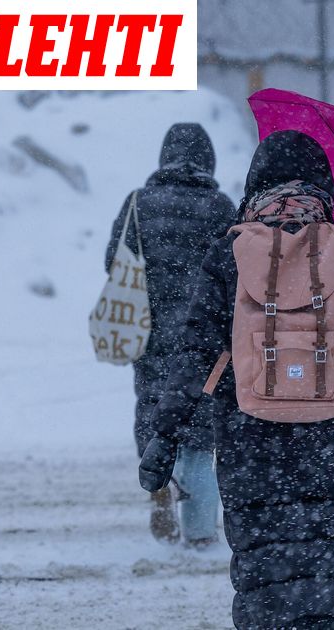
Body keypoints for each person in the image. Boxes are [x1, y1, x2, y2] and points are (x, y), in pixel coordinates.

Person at [138, 130, 334, 628]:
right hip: (332, 428)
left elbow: (196, 350)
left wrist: (166, 432)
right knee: (328, 547)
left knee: (261, 550)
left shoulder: (232, 250)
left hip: (250, 427)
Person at [105, 123, 236, 546]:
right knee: (200, 429)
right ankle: (199, 532)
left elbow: (114, 261)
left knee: (153, 412)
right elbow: (236, 271)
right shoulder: (220, 207)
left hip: (151, 331)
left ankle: (158, 485)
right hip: (204, 335)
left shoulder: (139, 204)